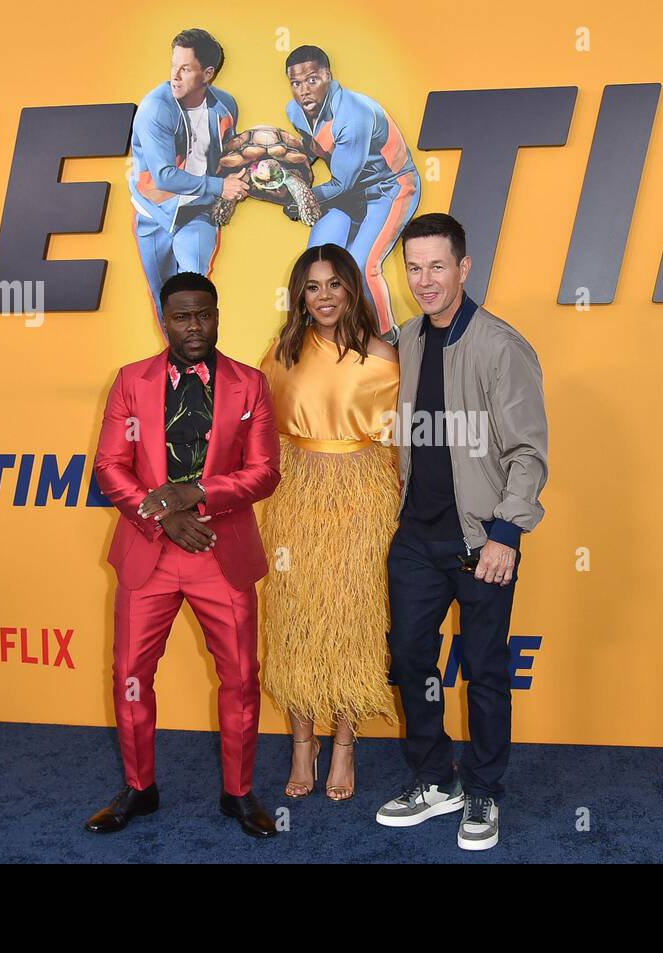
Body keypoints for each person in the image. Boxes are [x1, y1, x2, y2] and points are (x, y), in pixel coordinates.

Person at [86, 271, 281, 839]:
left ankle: (239, 794)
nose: (194, 327)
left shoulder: (250, 384)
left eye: (204, 315)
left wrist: (198, 495)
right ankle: (139, 789)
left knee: (242, 678)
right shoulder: (130, 381)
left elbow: (265, 471)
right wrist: (164, 515)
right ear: (163, 318)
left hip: (221, 550)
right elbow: (109, 467)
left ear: (217, 316)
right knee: (130, 675)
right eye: (182, 317)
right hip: (150, 550)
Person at [375, 213, 548, 851]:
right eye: (414, 267)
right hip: (416, 540)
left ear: (464, 268)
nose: (424, 280)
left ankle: (482, 790)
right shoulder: (409, 337)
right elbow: (352, 352)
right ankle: (432, 779)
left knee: (485, 669)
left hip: (482, 540)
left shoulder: (502, 346)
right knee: (413, 660)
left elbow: (528, 453)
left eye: (437, 266)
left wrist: (506, 533)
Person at [258, 243, 401, 801]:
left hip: (363, 495)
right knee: (296, 618)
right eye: (313, 287)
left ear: (351, 290)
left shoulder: (383, 356)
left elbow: (400, 441)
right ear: (300, 294)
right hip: (297, 495)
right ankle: (302, 744)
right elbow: (265, 432)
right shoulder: (281, 354)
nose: (324, 297)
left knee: (351, 618)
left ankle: (343, 744)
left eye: (334, 285)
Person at [283, 45, 420, 345]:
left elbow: (342, 183)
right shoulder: (295, 111)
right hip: (348, 194)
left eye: (312, 80)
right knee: (313, 266)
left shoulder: (353, 114)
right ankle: (316, 344)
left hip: (388, 188)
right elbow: (313, 150)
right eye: (296, 83)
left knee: (360, 265)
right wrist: (283, 174)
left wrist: (301, 196)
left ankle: (387, 340)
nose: (304, 90)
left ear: (328, 76)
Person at [129, 28, 250, 329]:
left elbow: (227, 154)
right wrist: (221, 186)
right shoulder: (155, 109)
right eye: (173, 66)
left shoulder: (226, 106)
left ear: (207, 73)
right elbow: (165, 177)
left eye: (185, 68)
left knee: (193, 289)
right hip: (153, 213)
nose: (175, 76)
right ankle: (177, 367)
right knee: (163, 297)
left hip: (198, 211)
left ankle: (200, 364)